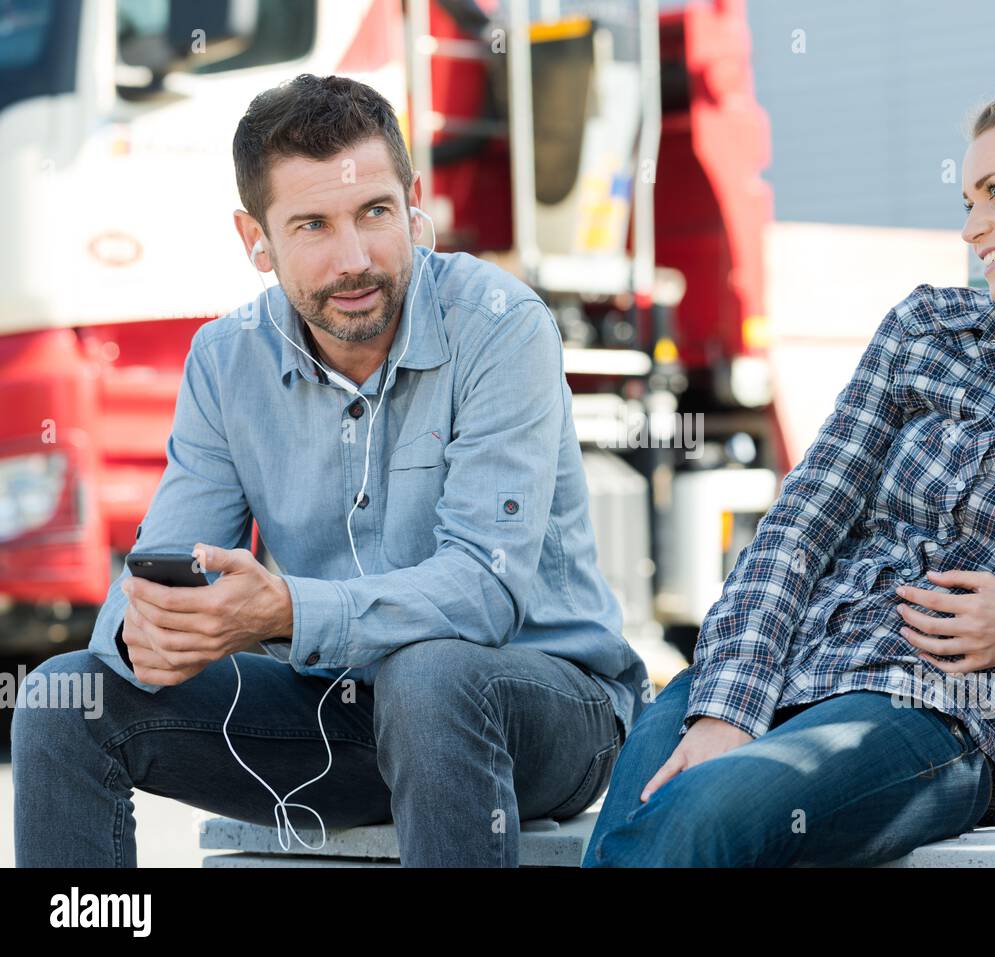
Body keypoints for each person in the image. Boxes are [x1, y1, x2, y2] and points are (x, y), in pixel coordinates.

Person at [582, 75, 995, 867]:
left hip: (939, 714)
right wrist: (728, 705)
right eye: (968, 201)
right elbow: (802, 523)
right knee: (649, 813)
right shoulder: (926, 328)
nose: (975, 226)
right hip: (779, 657)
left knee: (703, 812)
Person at [12, 74, 648, 867]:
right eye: (312, 225)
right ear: (256, 240)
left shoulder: (501, 326)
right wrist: (152, 630)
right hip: (341, 716)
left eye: (375, 213)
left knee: (431, 676)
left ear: (414, 205)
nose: (356, 259)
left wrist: (281, 611)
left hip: (545, 715)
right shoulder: (225, 359)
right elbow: (159, 574)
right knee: (63, 698)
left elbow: (485, 593)